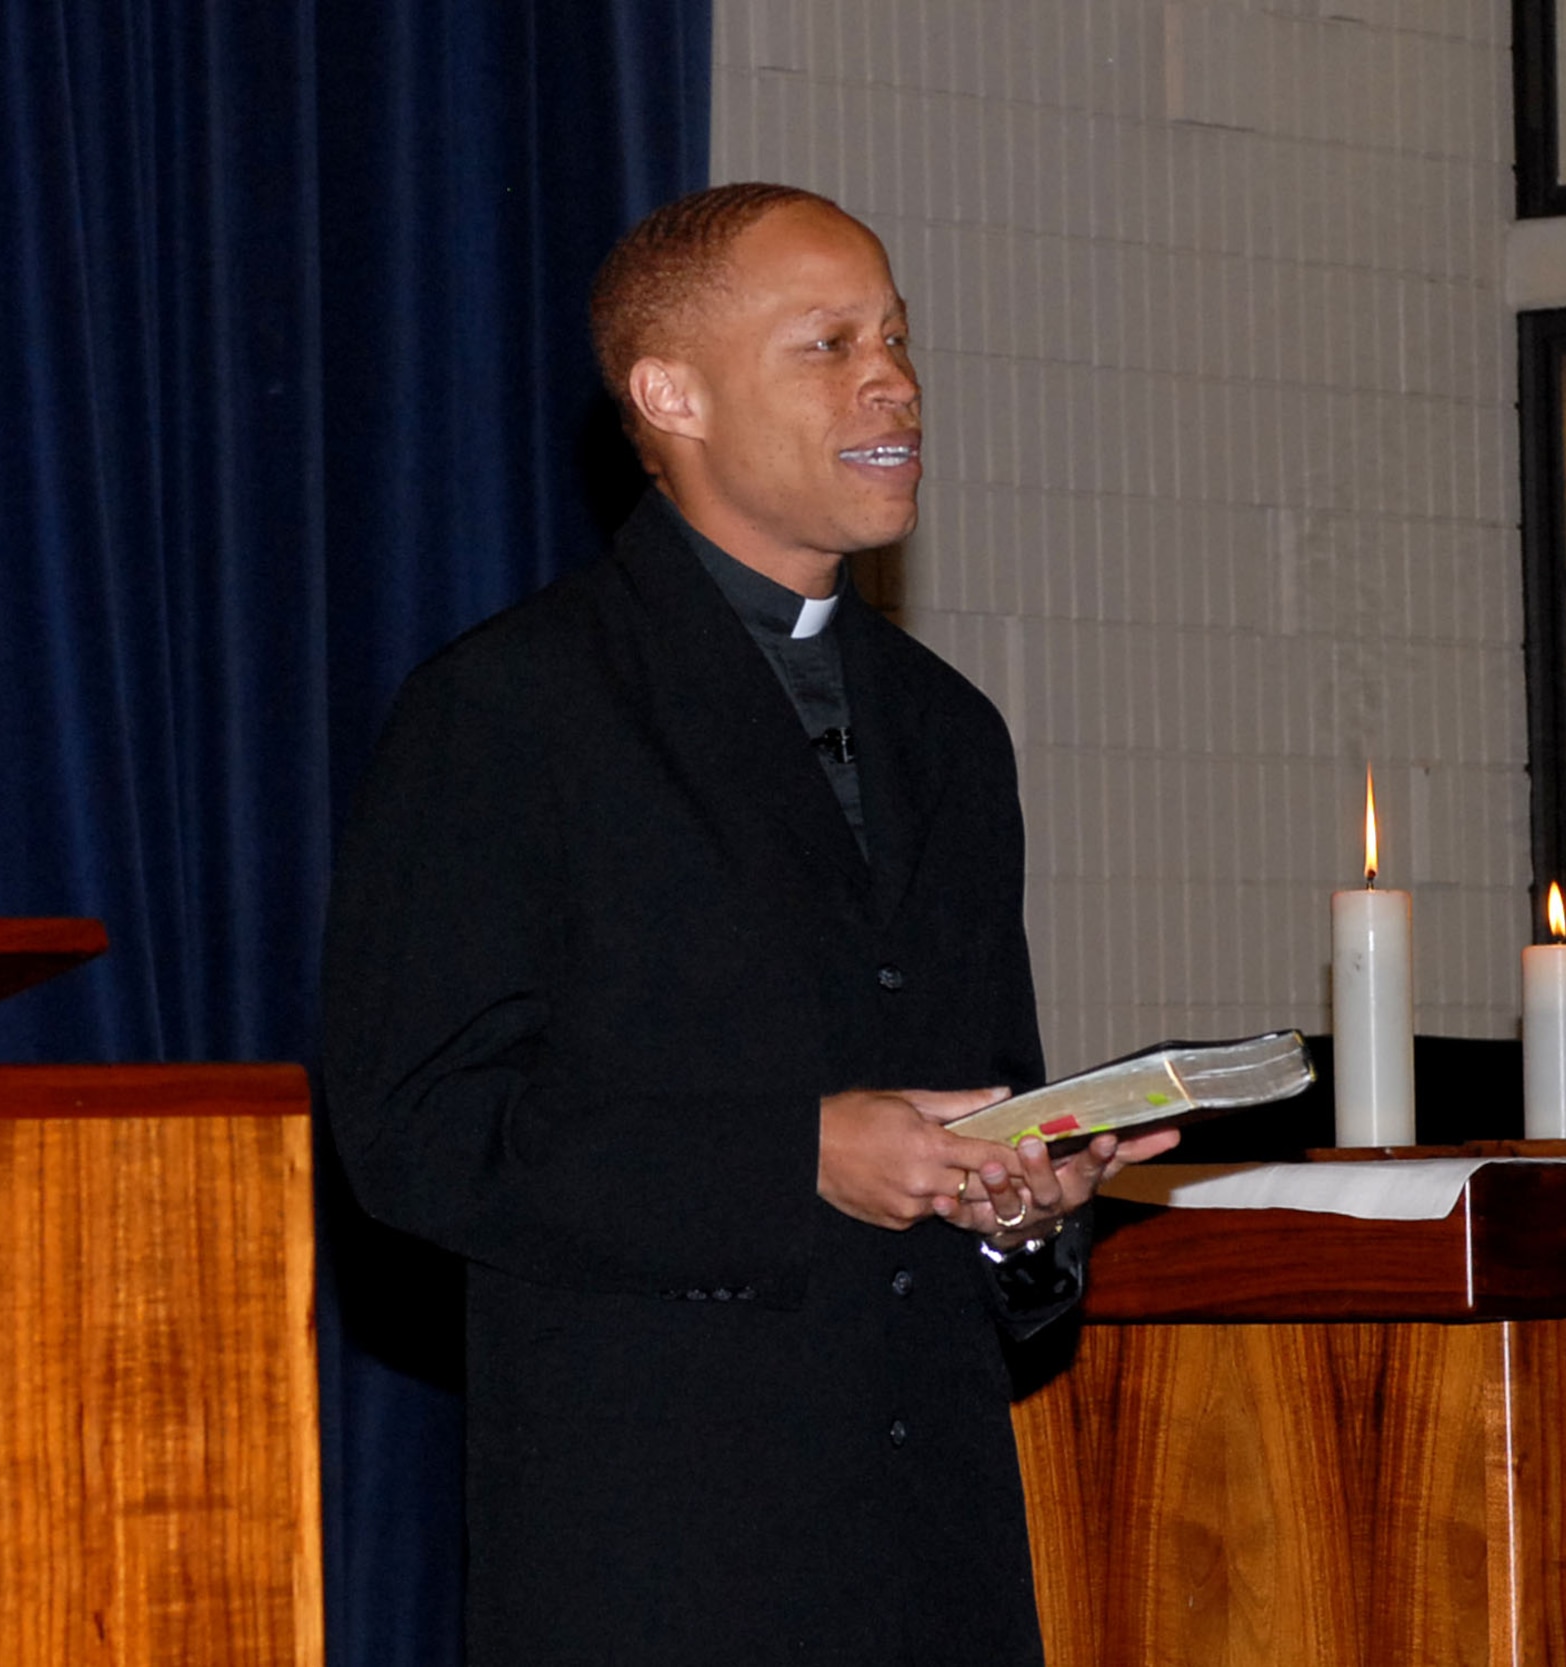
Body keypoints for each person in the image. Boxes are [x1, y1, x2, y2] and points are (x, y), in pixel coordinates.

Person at [321, 181, 1177, 1667]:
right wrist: (803, 1159)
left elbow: (981, 1108)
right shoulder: (513, 711)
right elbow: (420, 1131)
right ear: (670, 394)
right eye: (828, 343)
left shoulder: (947, 733)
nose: (893, 380)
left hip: (936, 1564)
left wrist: (1025, 1212)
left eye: (898, 337)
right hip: (665, 1565)